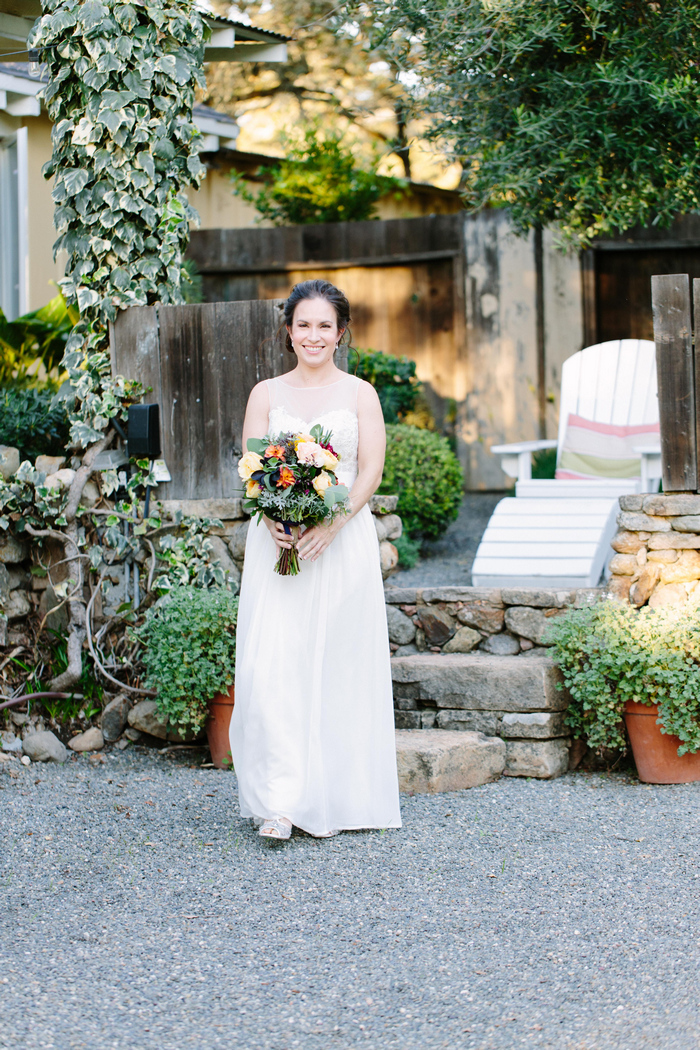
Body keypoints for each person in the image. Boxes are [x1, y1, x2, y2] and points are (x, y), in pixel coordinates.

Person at [229, 279, 402, 840]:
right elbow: (254, 469)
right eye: (303, 324)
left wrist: (332, 523)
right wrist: (273, 518)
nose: (313, 335)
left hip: (341, 543)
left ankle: (338, 796)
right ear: (288, 331)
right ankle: (280, 803)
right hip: (279, 546)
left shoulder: (360, 394)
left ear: (341, 332)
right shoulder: (265, 393)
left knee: (338, 666)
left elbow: (370, 469)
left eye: (325, 325)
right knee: (274, 668)